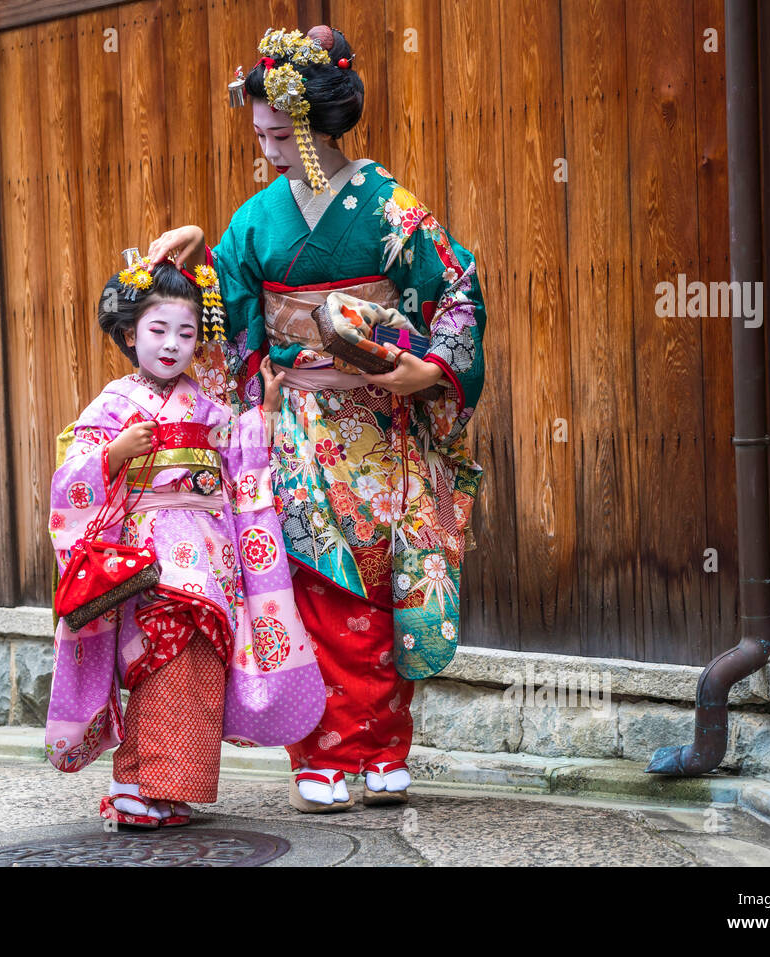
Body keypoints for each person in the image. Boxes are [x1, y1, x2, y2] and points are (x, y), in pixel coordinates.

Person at [148, 25, 486, 812]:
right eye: (259, 134)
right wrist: (195, 257)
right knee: (309, 588)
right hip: (298, 424)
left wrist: (429, 368)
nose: (264, 148)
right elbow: (227, 320)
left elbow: (456, 290)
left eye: (274, 134)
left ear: (315, 129)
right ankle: (323, 751)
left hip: (379, 420)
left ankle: (383, 748)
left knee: (381, 585)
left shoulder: (391, 208)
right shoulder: (256, 220)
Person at [44, 253, 324, 827]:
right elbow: (71, 474)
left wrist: (266, 412)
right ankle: (136, 786)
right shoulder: (116, 403)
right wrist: (114, 453)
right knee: (158, 656)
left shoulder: (206, 405)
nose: (172, 344)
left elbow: (242, 453)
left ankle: (160, 792)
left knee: (196, 661)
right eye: (157, 330)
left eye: (186, 332)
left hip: (211, 550)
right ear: (129, 334)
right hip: (150, 558)